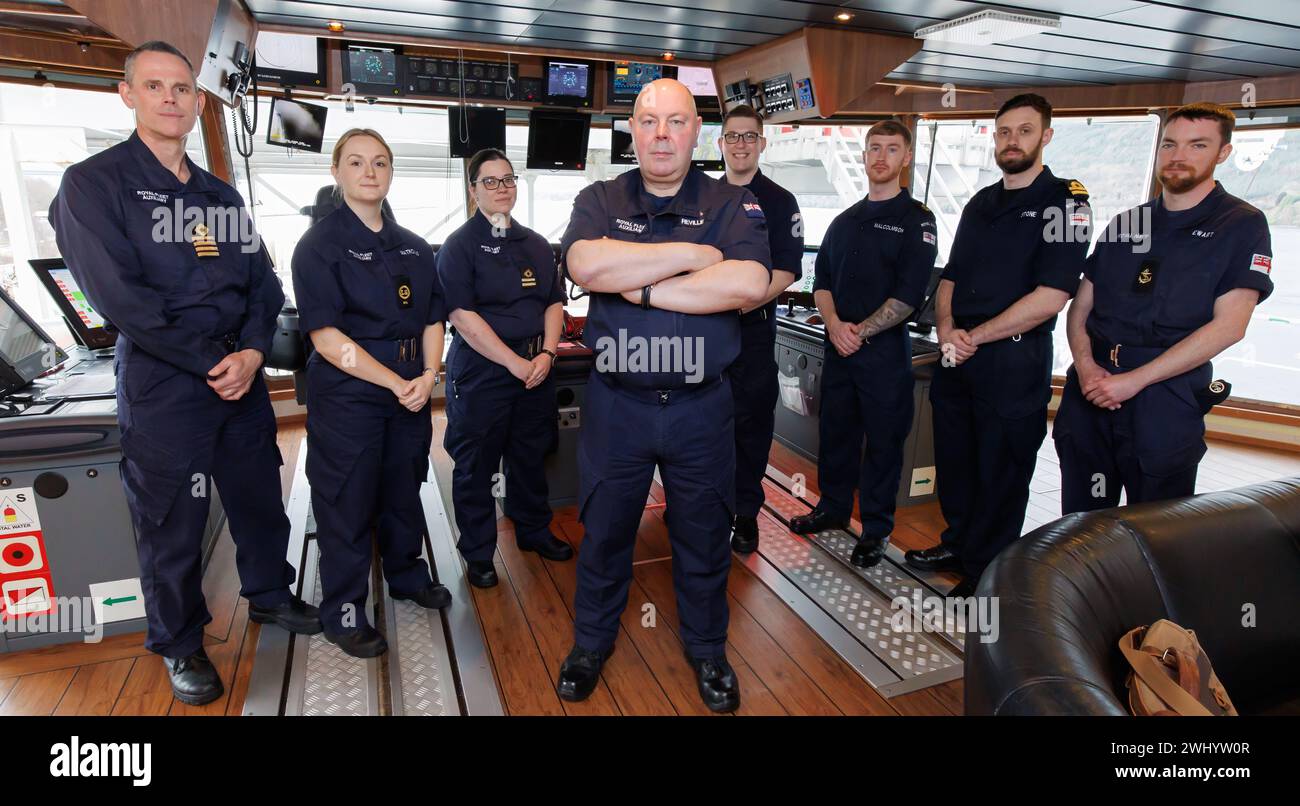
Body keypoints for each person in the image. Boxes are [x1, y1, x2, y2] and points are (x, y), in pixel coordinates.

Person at [48, 41, 318, 705]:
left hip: (242, 375)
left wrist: (254, 353)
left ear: (199, 103)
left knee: (259, 499)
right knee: (171, 520)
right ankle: (180, 642)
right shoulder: (93, 185)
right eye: (155, 86)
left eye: (182, 89)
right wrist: (210, 361)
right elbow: (120, 298)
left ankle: (269, 595)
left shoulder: (218, 192)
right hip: (167, 385)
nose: (171, 99)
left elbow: (263, 281)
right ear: (128, 95)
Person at [556, 79, 771, 712]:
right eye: (648, 121)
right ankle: (591, 644)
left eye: (675, 122)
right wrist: (691, 256)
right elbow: (587, 268)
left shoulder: (733, 204)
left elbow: (747, 283)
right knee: (605, 532)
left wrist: (643, 285)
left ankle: (708, 650)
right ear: (631, 129)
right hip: (618, 404)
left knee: (705, 535)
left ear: (695, 131)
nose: (660, 134)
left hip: (702, 408)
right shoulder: (599, 197)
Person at [903, 94, 1090, 596]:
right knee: (957, 459)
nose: (1013, 141)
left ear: (1045, 137)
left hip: (1013, 358)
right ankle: (958, 542)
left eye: (1025, 131)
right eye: (1004, 132)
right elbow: (950, 279)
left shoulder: (1066, 202)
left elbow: (1052, 296)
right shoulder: (981, 202)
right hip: (957, 354)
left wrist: (975, 337)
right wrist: (947, 330)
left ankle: (988, 569)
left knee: (1002, 467)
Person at [1054, 103, 1273, 512]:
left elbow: (1230, 327)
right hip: (1092, 388)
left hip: (1164, 400)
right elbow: (1081, 308)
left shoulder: (1242, 225)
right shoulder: (1127, 222)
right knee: (1081, 524)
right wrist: (1085, 366)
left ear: (1222, 153)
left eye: (1197, 145)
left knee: (1155, 532)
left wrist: (1135, 380)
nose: (1178, 155)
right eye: (1170, 143)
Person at [291, 128, 451, 659]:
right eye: (356, 162)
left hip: (410, 389)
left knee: (404, 489)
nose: (369, 171)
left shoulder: (413, 246)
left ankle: (406, 575)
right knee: (347, 500)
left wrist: (429, 377)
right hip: (349, 396)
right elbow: (326, 337)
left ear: (390, 173)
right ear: (336, 172)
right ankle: (343, 611)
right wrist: (396, 381)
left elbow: (433, 317)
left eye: (380, 162)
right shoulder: (318, 247)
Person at [788, 121, 937, 567]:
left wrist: (858, 331)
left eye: (892, 149)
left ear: (905, 158)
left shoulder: (918, 221)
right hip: (841, 347)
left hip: (885, 355)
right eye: (874, 148)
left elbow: (909, 295)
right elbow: (823, 281)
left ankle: (875, 530)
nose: (881, 157)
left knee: (884, 444)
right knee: (835, 435)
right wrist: (834, 325)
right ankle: (832, 508)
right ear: (865, 154)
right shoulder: (845, 220)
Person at [437, 148, 572, 589]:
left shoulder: (534, 243)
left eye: (508, 179)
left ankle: (533, 530)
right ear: (474, 190)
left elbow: (553, 302)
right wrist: (514, 362)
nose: (502, 188)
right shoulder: (459, 247)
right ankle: (478, 553)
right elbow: (461, 316)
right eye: (490, 181)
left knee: (531, 455)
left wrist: (548, 355)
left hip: (536, 366)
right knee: (476, 464)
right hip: (483, 371)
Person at [717, 105, 805, 554]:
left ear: (762, 143)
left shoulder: (779, 200)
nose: (740, 144)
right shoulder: (699, 197)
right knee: (701, 424)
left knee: (750, 427)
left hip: (752, 333)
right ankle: (703, 506)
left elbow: (788, 270)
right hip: (705, 336)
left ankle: (745, 514)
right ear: (720, 143)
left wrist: (742, 303)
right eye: (732, 136)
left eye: (749, 137)